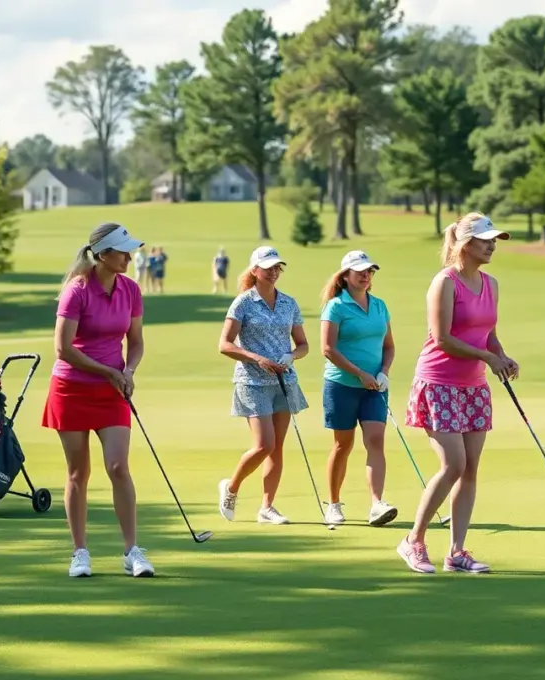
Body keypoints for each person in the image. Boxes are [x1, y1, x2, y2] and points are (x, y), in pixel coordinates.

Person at [396, 213, 519, 575]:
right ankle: (413, 541)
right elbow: (443, 339)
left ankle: (457, 552)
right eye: (486, 240)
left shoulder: (491, 284)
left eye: (495, 239)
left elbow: (487, 333)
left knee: (471, 469)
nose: (492, 245)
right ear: (466, 243)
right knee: (454, 464)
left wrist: (502, 355)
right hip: (438, 383)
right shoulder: (445, 282)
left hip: (473, 387)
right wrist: (487, 357)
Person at [41, 222, 155, 579]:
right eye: (122, 251)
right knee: (78, 473)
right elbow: (63, 349)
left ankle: (131, 550)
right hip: (71, 388)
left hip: (112, 391)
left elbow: (135, 342)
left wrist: (129, 371)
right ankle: (80, 552)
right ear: (103, 254)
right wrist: (108, 371)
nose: (129, 256)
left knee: (118, 467)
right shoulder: (76, 290)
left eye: (129, 250)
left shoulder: (131, 290)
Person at [217, 245, 309, 525]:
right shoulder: (243, 303)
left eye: (277, 267)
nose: (273, 272)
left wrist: (290, 356)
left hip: (284, 381)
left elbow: (303, 345)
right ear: (254, 270)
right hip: (252, 382)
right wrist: (256, 358)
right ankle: (231, 487)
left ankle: (267, 507)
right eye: (267, 267)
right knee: (263, 445)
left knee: (277, 447)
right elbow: (224, 344)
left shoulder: (289, 303)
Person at [319, 250, 398, 527]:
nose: (366, 275)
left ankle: (377, 504)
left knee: (376, 440)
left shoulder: (379, 306)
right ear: (346, 276)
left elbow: (389, 347)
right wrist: (360, 374)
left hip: (375, 386)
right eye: (360, 271)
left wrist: (383, 372)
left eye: (369, 271)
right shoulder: (336, 307)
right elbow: (327, 349)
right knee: (343, 445)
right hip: (341, 385)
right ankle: (334, 504)